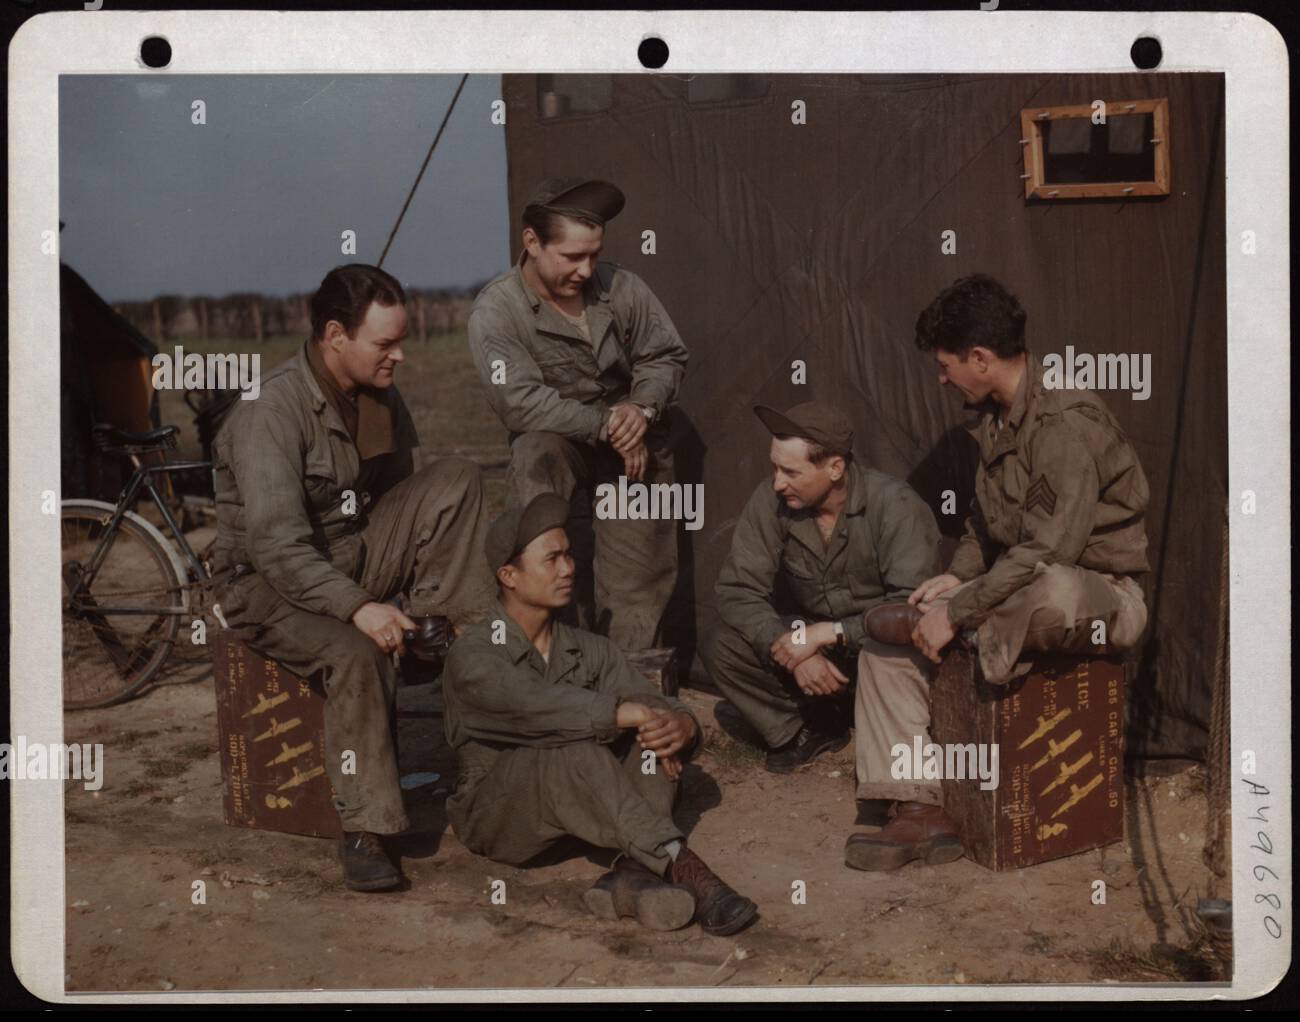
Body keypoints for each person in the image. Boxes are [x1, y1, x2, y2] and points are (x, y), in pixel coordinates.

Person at [211, 263, 493, 892]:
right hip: (264, 579)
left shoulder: (377, 394)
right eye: (385, 344)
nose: (400, 357)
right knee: (357, 651)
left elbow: (398, 494)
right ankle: (367, 828)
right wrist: (361, 609)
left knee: (456, 480)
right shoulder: (271, 411)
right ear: (335, 335)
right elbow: (279, 547)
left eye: (401, 341)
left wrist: (404, 597)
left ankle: (433, 635)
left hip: (346, 549)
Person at [442, 493, 757, 936]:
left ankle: (631, 875)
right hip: (501, 819)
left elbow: (648, 699)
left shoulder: (587, 647)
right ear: (508, 575)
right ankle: (679, 864)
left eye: (569, 555)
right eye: (551, 559)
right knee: (570, 744)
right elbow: (531, 707)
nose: (569, 568)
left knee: (648, 745)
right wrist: (621, 713)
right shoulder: (474, 652)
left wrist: (676, 726)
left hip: (581, 817)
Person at [701, 401, 961, 871]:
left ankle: (909, 797)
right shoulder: (772, 500)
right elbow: (738, 591)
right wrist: (798, 652)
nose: (779, 482)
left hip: (881, 656)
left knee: (891, 653)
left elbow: (912, 612)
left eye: (792, 472)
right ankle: (806, 729)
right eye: (775, 469)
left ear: (836, 468)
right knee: (724, 643)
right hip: (817, 654)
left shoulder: (895, 506)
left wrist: (833, 635)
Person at [863, 273, 1150, 685]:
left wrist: (958, 609)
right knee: (886, 651)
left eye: (945, 366)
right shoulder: (995, 421)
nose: (942, 379)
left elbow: (1048, 551)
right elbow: (984, 523)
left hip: (1096, 593)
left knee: (1052, 592)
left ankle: (972, 631)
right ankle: (910, 748)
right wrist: (959, 576)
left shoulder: (1061, 423)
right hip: (1018, 582)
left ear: (979, 358)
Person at [467, 177, 689, 650]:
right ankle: (551, 655)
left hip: (635, 446)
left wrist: (642, 408)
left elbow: (665, 356)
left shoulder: (623, 286)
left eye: (594, 254)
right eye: (572, 257)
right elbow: (519, 402)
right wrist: (606, 425)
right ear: (532, 243)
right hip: (562, 444)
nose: (587, 270)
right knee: (535, 455)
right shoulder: (497, 311)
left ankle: (632, 675)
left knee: (637, 581)